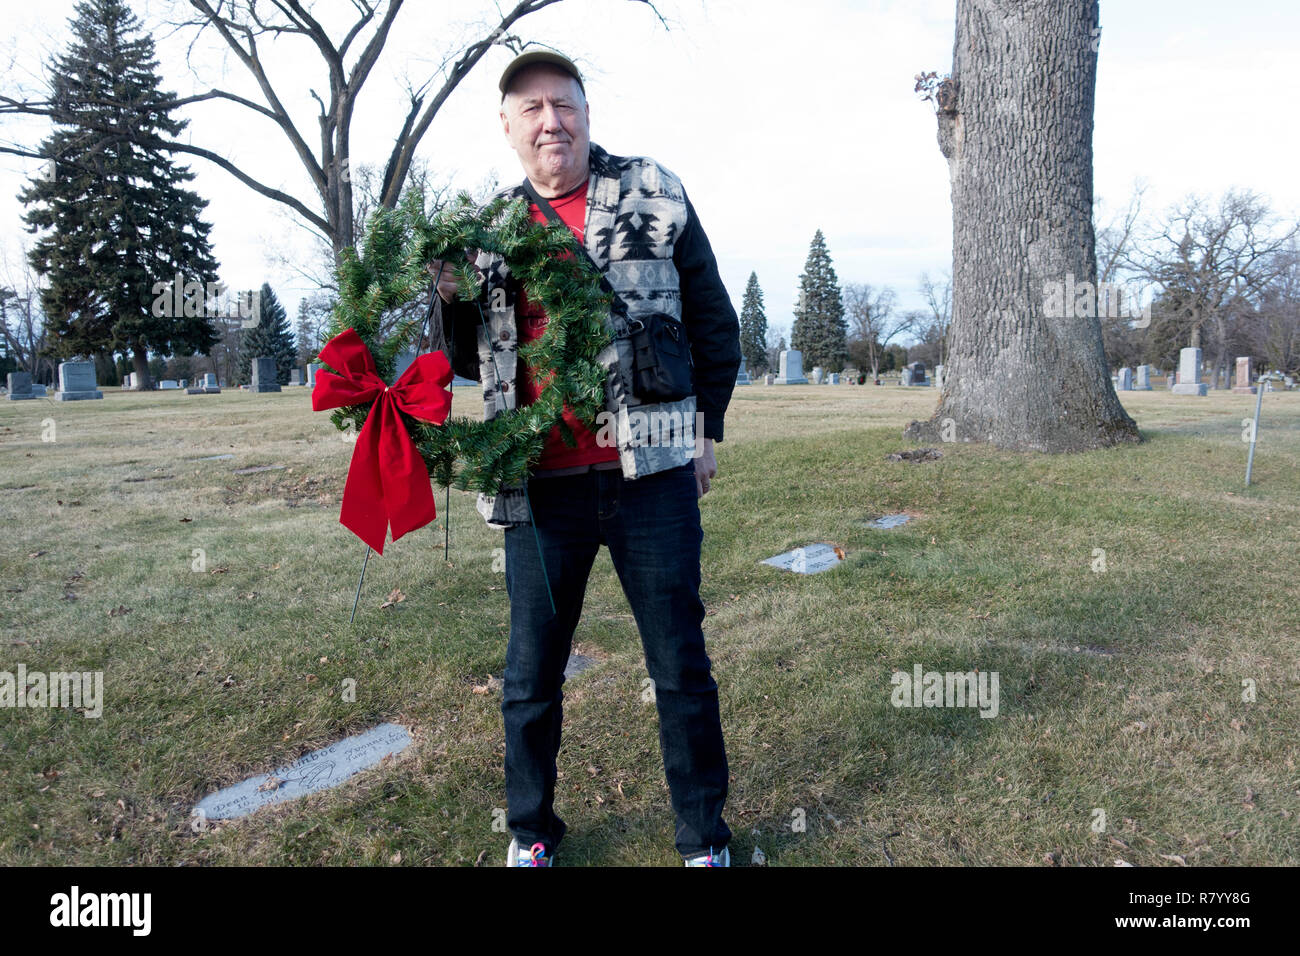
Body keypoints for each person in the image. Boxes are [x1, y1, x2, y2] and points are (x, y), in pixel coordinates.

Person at [427, 48, 741, 867]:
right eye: (529, 110)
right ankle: (531, 834)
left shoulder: (652, 191)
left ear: (585, 113)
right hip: (539, 494)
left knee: (679, 665)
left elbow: (713, 320)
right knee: (530, 676)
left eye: (562, 105)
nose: (549, 122)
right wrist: (448, 304)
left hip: (653, 479)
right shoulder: (486, 232)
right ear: (507, 128)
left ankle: (704, 839)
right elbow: (469, 360)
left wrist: (707, 429)